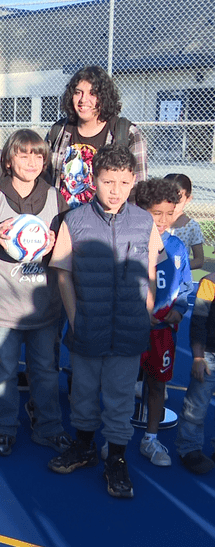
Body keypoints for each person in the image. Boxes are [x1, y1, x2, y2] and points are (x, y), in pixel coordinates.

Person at [47, 145, 161, 499]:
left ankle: (117, 458)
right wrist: (75, 317)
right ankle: (84, 446)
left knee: (120, 396)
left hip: (128, 328)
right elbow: (63, 273)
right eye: (108, 181)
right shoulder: (75, 220)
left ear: (133, 182)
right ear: (93, 179)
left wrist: (146, 312)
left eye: (124, 182)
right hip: (88, 326)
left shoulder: (144, 221)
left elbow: (151, 272)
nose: (116, 190)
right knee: (82, 391)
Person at [0, 129, 72, 458]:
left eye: (38, 155)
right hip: (2, 305)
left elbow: (66, 253)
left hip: (43, 306)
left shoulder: (55, 198)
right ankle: (5, 427)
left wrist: (53, 250)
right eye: (23, 155)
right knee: (5, 371)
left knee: (44, 371)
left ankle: (48, 427)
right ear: (8, 159)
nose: (31, 162)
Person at [129, 177, 193, 467]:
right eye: (157, 213)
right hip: (130, 328)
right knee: (122, 383)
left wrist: (177, 310)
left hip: (162, 332)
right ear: (142, 209)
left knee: (156, 386)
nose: (164, 220)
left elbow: (185, 286)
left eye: (170, 213)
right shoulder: (130, 240)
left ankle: (150, 439)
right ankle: (114, 438)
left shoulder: (178, 247)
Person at [46, 65, 147, 208]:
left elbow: (138, 190)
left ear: (104, 97)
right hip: (61, 221)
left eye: (92, 94)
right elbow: (44, 178)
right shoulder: (59, 131)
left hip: (106, 224)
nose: (83, 100)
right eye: (78, 92)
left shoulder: (126, 134)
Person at [176, 270, 215, 474]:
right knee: (197, 404)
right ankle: (189, 448)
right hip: (209, 354)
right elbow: (198, 322)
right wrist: (198, 357)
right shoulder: (210, 283)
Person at [166, 173, 205, 271]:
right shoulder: (153, 221)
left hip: (180, 281)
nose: (173, 204)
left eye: (178, 200)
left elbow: (199, 260)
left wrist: (179, 267)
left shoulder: (191, 226)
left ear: (188, 199)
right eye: (168, 199)